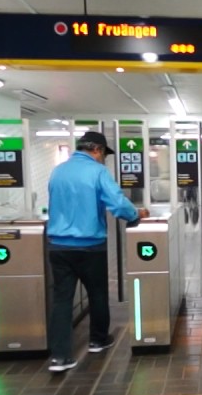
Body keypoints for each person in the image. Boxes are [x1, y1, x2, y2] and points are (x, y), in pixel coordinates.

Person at [46, 131, 150, 372]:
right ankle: (98, 340)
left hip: (58, 246)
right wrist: (135, 215)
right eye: (104, 154)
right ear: (97, 150)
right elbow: (117, 203)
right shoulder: (97, 171)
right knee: (97, 293)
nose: (104, 159)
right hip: (90, 245)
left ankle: (60, 357)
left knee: (62, 299)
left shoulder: (58, 171)